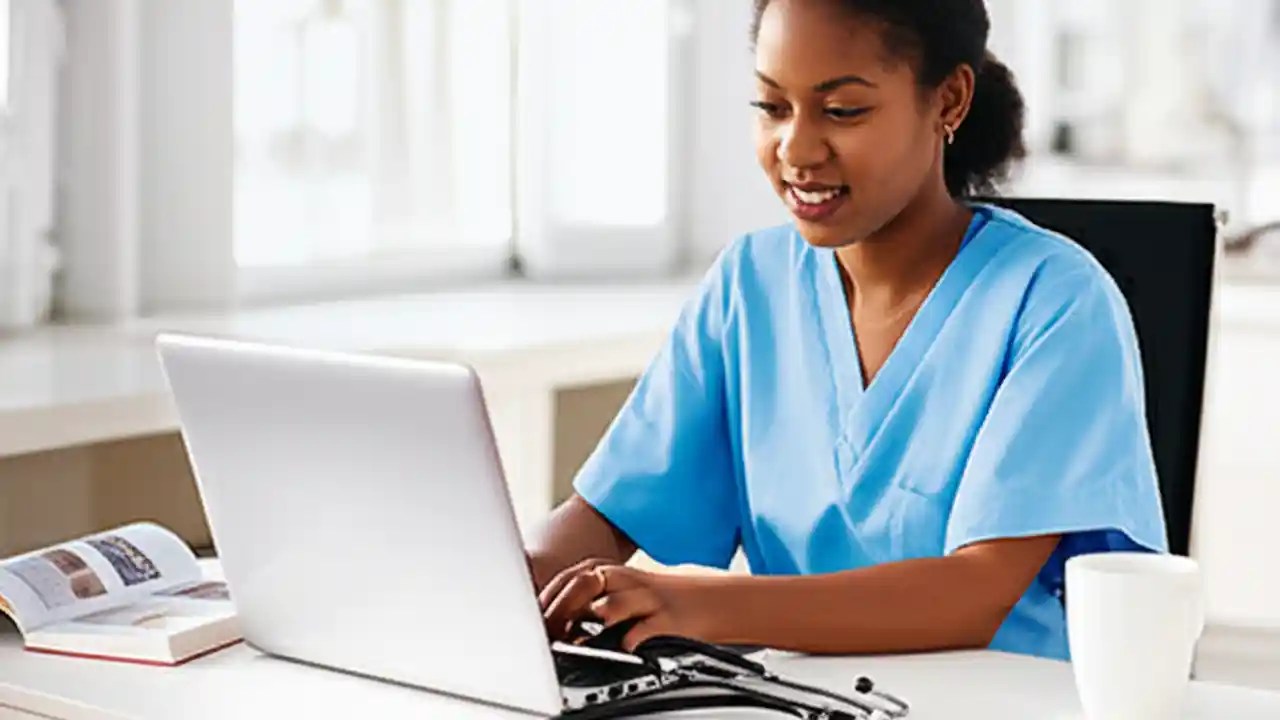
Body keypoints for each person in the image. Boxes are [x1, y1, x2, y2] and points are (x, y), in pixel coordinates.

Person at [526, 0, 1167, 662]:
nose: (796, 149)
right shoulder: (750, 282)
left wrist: (691, 604)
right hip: (808, 697)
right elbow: (605, 517)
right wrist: (506, 579)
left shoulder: (1055, 300)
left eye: (842, 112)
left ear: (948, 100)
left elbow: (977, 593)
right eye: (773, 108)